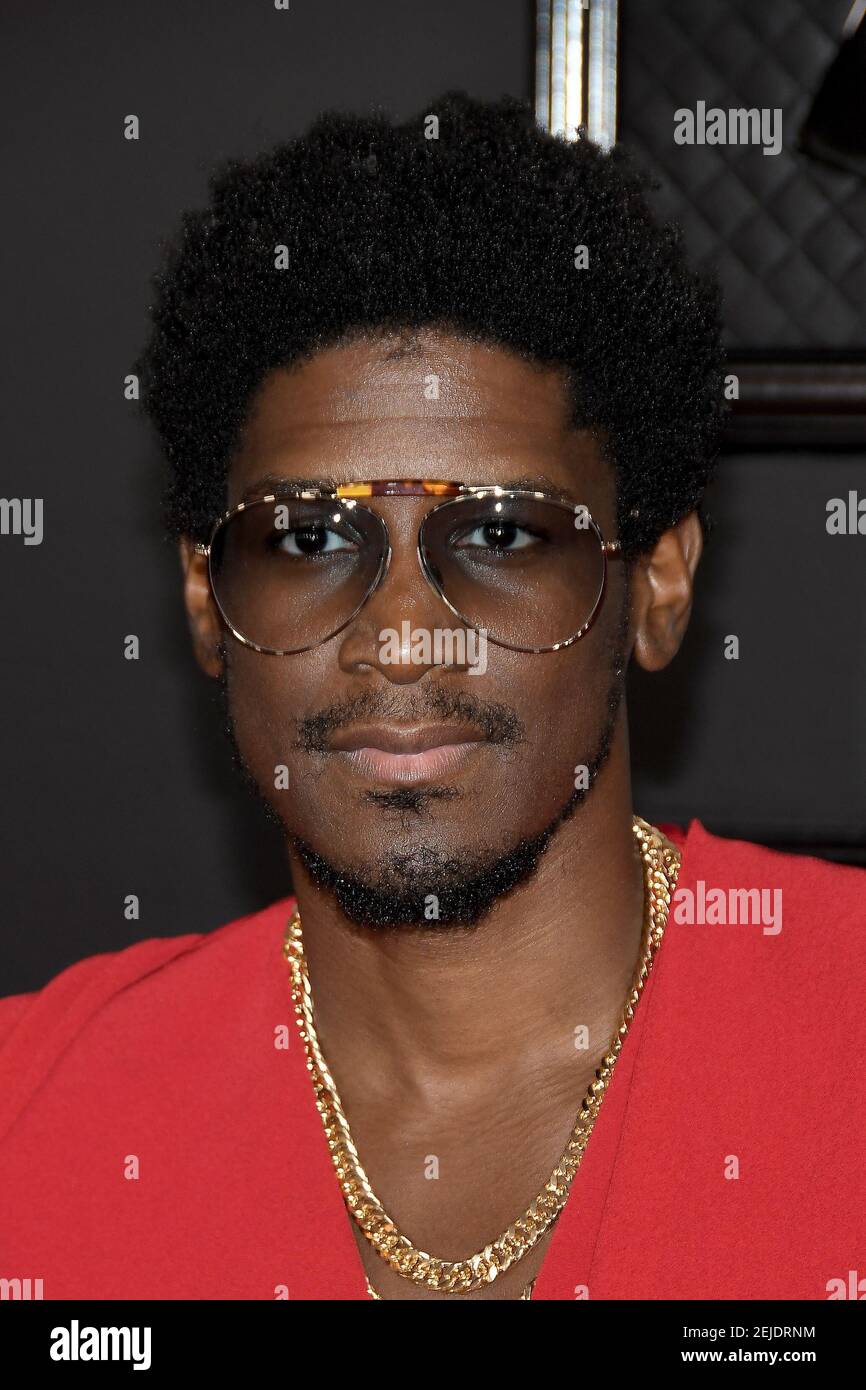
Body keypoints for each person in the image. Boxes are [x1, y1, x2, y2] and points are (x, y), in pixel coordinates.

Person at [1, 92, 863, 1302]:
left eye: (503, 531)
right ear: (205, 599)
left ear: (656, 585)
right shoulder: (32, 1122)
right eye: (304, 539)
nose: (400, 639)